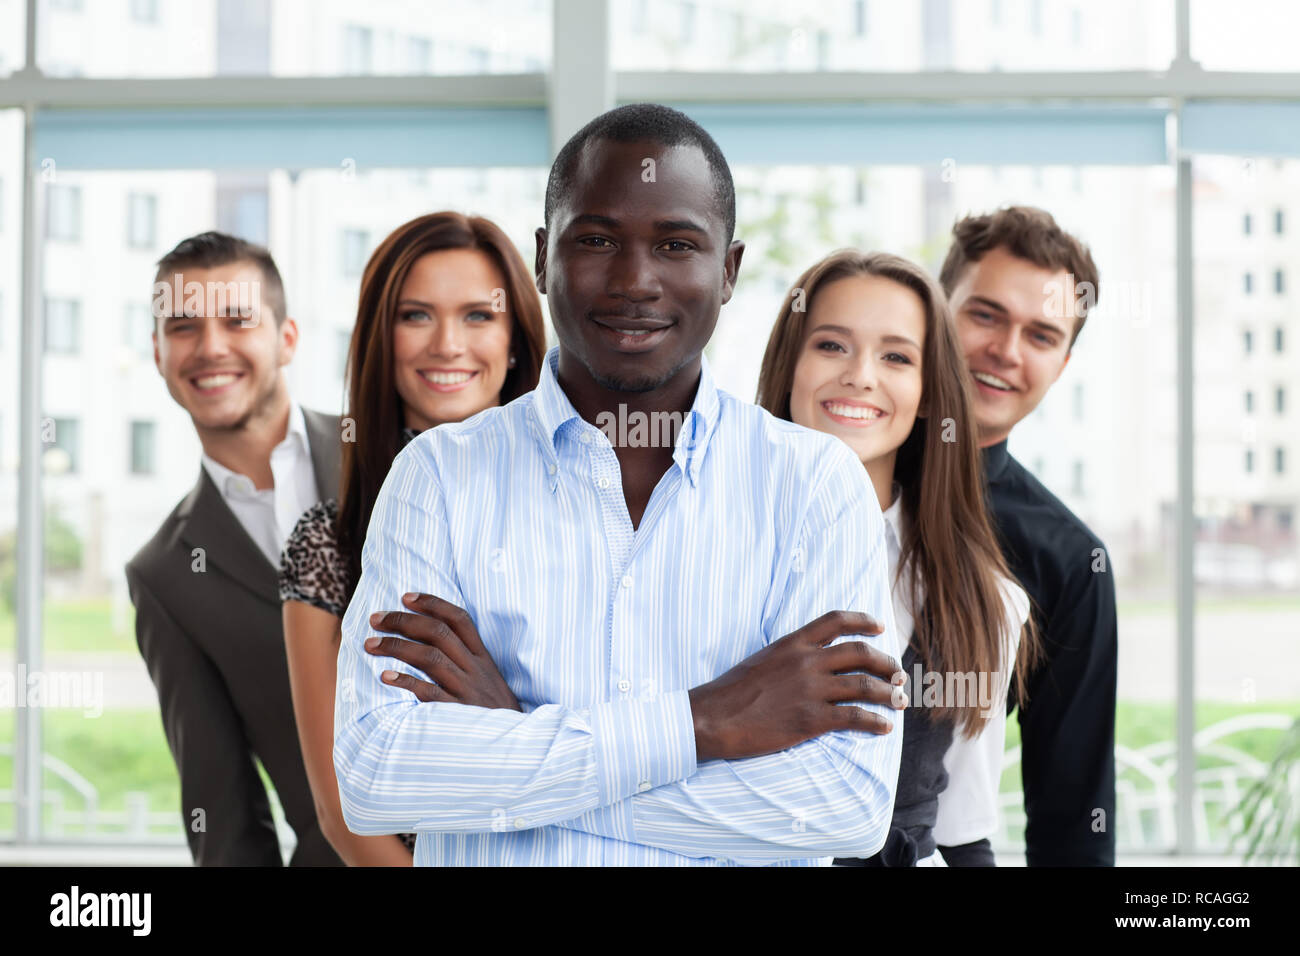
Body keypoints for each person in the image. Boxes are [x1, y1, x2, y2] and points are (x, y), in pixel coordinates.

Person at [333, 103, 908, 866]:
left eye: (677, 244)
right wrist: (705, 723)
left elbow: (845, 805)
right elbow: (379, 774)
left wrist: (513, 748)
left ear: (728, 271)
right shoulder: (438, 477)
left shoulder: (814, 487)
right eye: (597, 240)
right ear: (543, 257)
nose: (636, 281)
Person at [278, 212, 546, 866]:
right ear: (381, 338)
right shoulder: (326, 546)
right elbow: (343, 815)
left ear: (515, 341)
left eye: (478, 316)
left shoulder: (586, 514)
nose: (448, 344)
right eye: (416, 315)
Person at [757, 249, 1035, 866]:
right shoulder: (701, 553)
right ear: (790, 366)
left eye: (896, 357)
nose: (861, 375)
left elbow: (964, 832)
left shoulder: (985, 603)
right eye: (831, 345)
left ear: (929, 394)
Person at [125, 231, 342, 866]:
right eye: (184, 326)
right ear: (159, 353)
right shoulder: (164, 575)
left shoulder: (394, 454)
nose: (211, 346)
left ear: (287, 338)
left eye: (237, 320)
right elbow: (223, 816)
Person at [934, 206, 1118, 867]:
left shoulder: (1071, 560)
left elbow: (1073, 819)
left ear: (1061, 365)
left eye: (1040, 336)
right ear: (935, 311)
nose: (1007, 352)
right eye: (985, 315)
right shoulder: (821, 468)